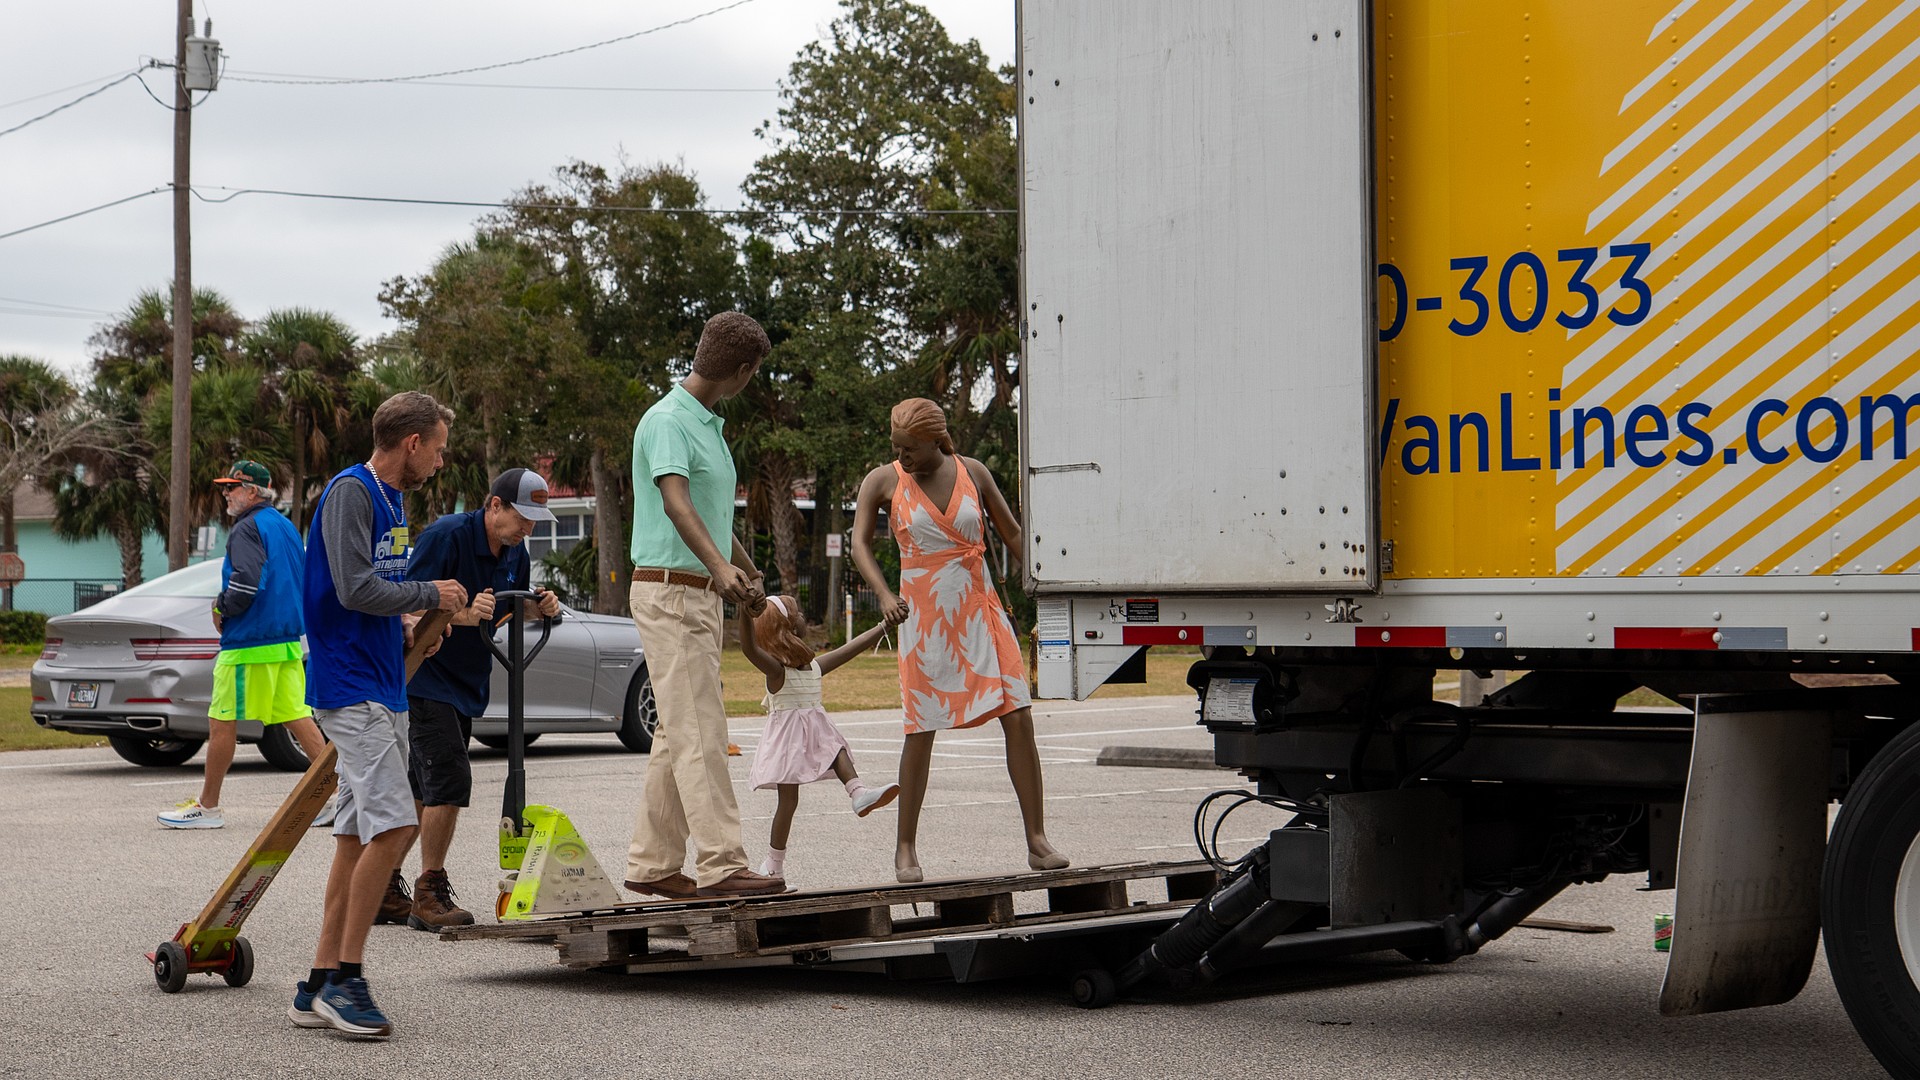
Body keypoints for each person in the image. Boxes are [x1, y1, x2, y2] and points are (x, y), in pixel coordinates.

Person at [289, 391, 467, 1039]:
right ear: (412, 442)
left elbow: (375, 594)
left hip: (383, 680)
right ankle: (347, 979)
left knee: (357, 836)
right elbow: (351, 585)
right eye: (439, 449)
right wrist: (429, 592)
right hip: (349, 684)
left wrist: (412, 619)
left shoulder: (393, 500)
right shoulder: (351, 493)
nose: (442, 462)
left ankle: (315, 983)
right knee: (395, 828)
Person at [851, 398, 1069, 883]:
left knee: (1019, 716)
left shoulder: (974, 471)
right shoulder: (883, 481)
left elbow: (1014, 534)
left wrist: (1055, 588)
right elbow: (859, 544)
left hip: (983, 612)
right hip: (923, 618)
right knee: (920, 727)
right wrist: (884, 594)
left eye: (910, 448)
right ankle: (904, 848)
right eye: (896, 447)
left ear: (936, 441)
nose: (901, 456)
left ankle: (1037, 840)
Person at [623, 311, 785, 901]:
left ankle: (652, 865)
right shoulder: (668, 421)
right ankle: (723, 865)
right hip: (670, 591)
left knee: (677, 731)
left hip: (697, 591)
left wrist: (739, 563)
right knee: (701, 732)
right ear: (742, 370)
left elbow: (710, 516)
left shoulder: (707, 424)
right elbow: (676, 503)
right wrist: (720, 569)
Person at [397, 467, 560, 930]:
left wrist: (537, 605)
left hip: (467, 682)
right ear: (494, 506)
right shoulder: (446, 537)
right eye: (522, 517)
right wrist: (465, 615)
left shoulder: (516, 551)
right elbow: (406, 602)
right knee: (448, 780)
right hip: (425, 674)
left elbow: (507, 609)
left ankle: (387, 883)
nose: (527, 528)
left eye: (534, 520)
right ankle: (429, 891)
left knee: (420, 787)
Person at [158, 460, 327, 830]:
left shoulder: (246, 528)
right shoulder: (283, 526)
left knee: (221, 721)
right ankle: (336, 796)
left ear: (253, 491)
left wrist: (221, 606)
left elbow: (247, 581)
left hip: (248, 643)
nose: (225, 493)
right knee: (296, 716)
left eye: (232, 487)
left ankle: (208, 808)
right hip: (284, 642)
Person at [739, 594, 904, 880]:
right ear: (786, 627)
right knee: (788, 803)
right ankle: (773, 865)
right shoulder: (776, 671)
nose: (803, 616)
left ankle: (859, 794)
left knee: (836, 747)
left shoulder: (814, 667)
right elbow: (748, 648)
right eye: (798, 613)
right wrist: (745, 612)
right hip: (788, 743)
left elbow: (851, 648)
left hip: (816, 734)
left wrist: (884, 626)